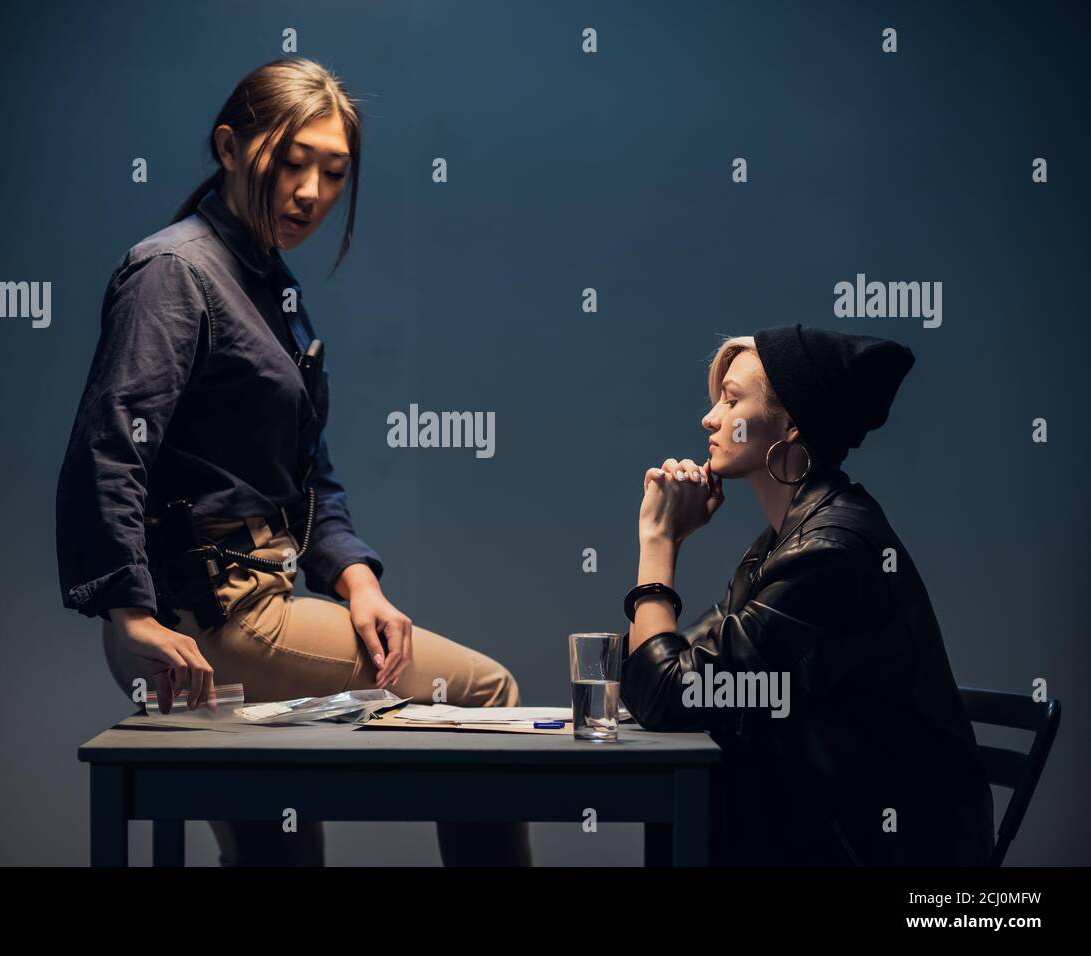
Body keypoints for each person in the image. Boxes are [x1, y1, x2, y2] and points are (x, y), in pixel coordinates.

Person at [55, 57, 531, 866]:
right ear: (230, 147)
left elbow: (310, 477)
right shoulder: (175, 271)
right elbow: (109, 447)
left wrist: (359, 582)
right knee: (484, 696)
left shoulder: (269, 285)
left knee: (280, 857)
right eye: (291, 161)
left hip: (249, 598)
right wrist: (129, 616)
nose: (311, 191)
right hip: (212, 622)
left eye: (334, 171)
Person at [620, 324, 995, 865]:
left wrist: (658, 541)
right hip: (816, 831)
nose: (709, 418)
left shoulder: (829, 552)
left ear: (792, 425)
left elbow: (668, 693)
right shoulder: (787, 540)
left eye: (731, 401)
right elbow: (676, 678)